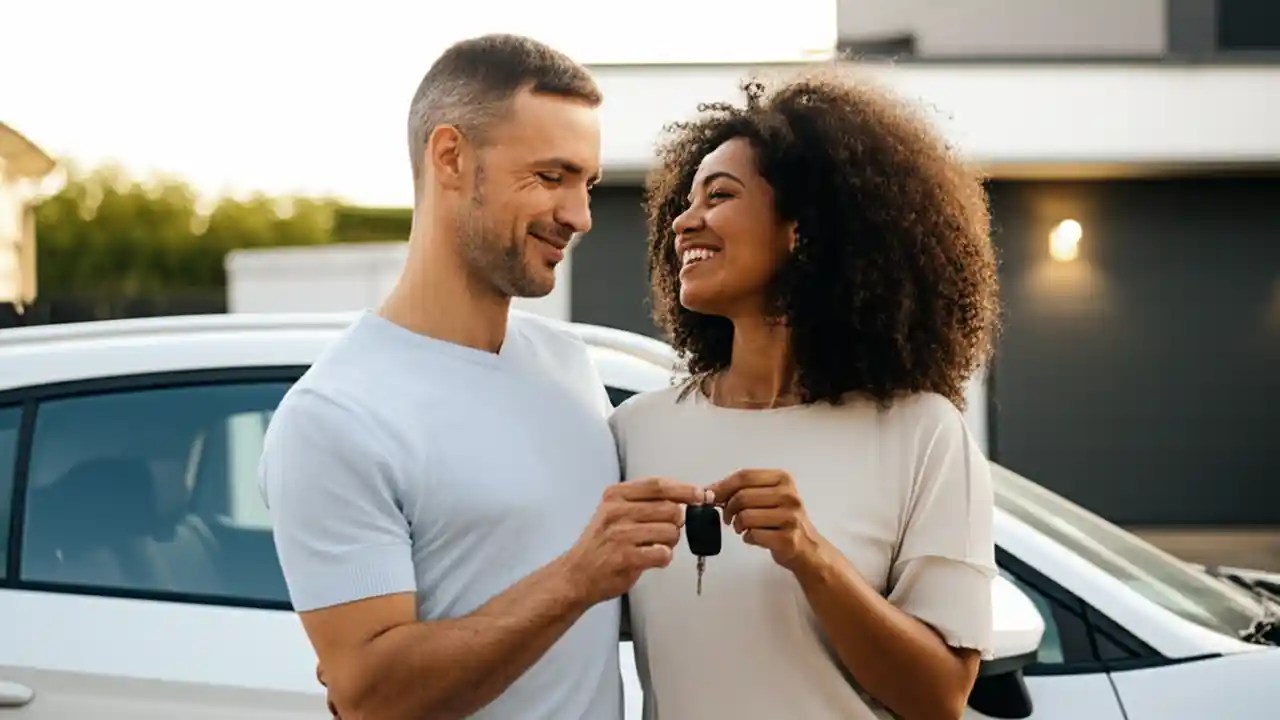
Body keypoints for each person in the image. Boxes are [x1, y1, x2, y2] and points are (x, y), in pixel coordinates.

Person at [259, 34, 703, 720]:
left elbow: (583, 620)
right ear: (451, 158)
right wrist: (576, 580)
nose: (580, 216)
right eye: (551, 177)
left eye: (585, 184)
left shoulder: (568, 366)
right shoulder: (336, 415)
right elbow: (373, 695)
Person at [611, 71, 1002, 719]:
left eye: (719, 195)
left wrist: (810, 556)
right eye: (685, 200)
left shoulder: (920, 433)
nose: (684, 221)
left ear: (803, 229)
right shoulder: (635, 432)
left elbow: (940, 698)